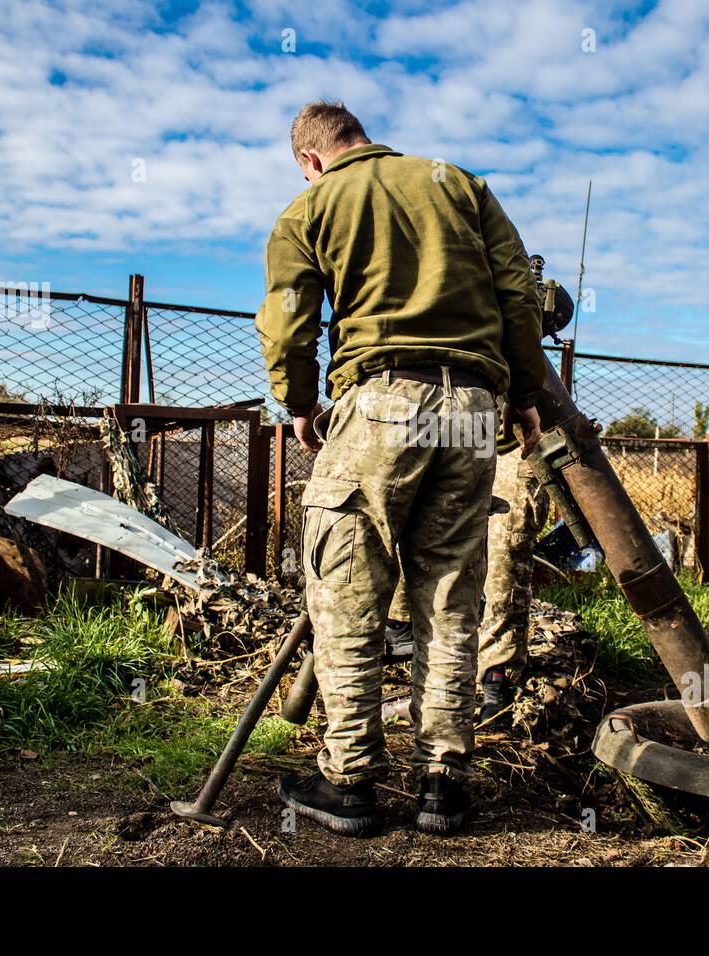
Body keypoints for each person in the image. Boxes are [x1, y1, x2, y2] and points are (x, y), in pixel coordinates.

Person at [255, 101, 546, 836]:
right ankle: (444, 784)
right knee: (450, 594)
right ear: (362, 136)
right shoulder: (460, 184)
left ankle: (350, 781)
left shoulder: (310, 206)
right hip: (477, 406)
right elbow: (518, 292)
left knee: (348, 588)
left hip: (384, 399)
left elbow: (290, 314)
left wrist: (295, 399)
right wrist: (525, 393)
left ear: (310, 158)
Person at [384, 418, 551, 725]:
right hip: (439, 422)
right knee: (414, 527)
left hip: (508, 434)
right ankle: (403, 631)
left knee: (507, 553)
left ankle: (495, 676)